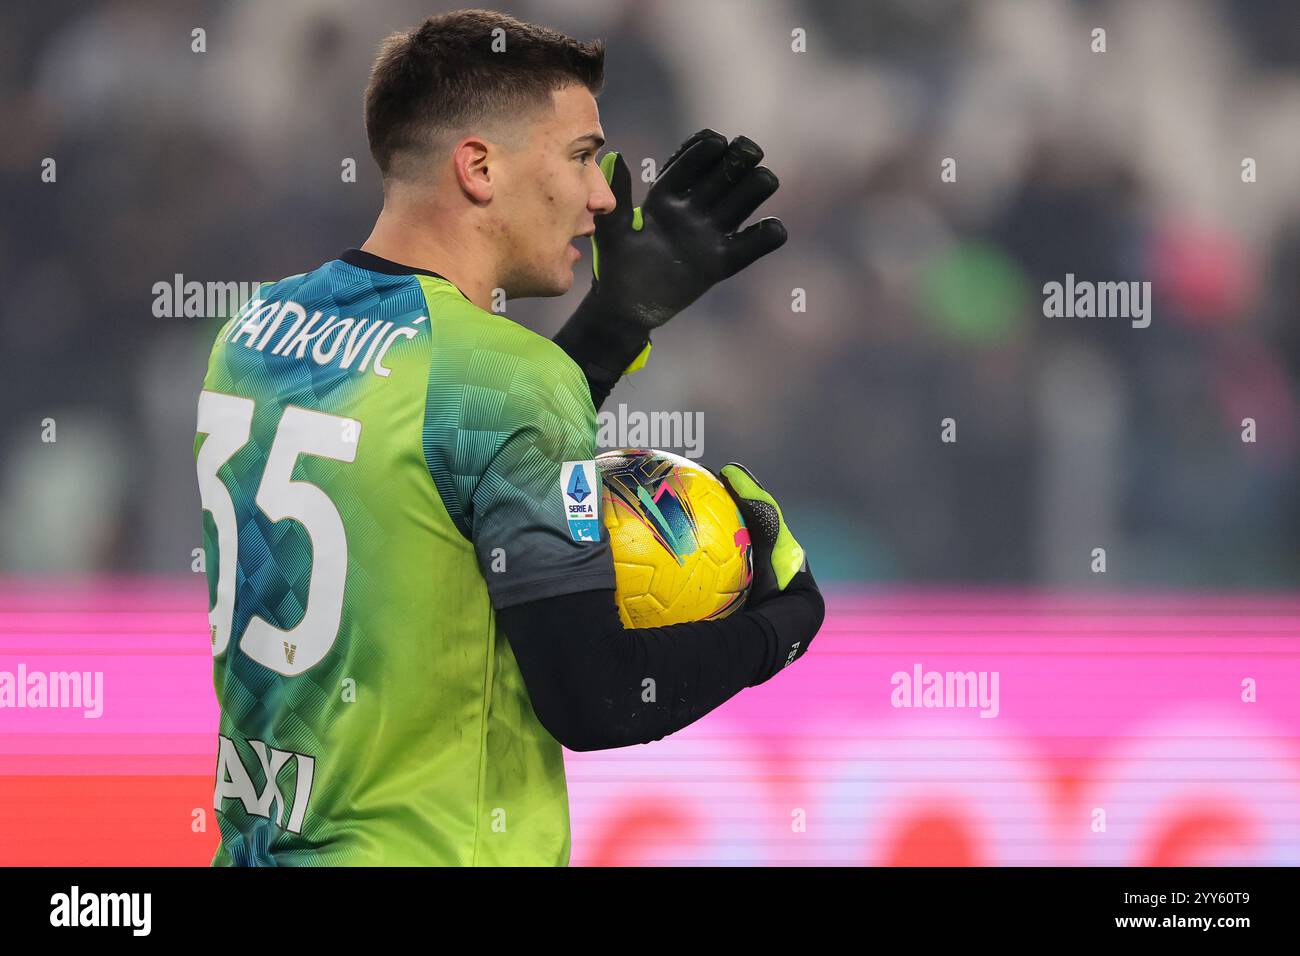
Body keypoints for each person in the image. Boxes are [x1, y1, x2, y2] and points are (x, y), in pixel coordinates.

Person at [195, 8, 823, 866]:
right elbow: (594, 700)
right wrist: (780, 626)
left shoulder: (257, 330)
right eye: (578, 157)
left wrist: (614, 325)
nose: (603, 195)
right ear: (479, 168)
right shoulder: (506, 379)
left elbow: (446, 456)